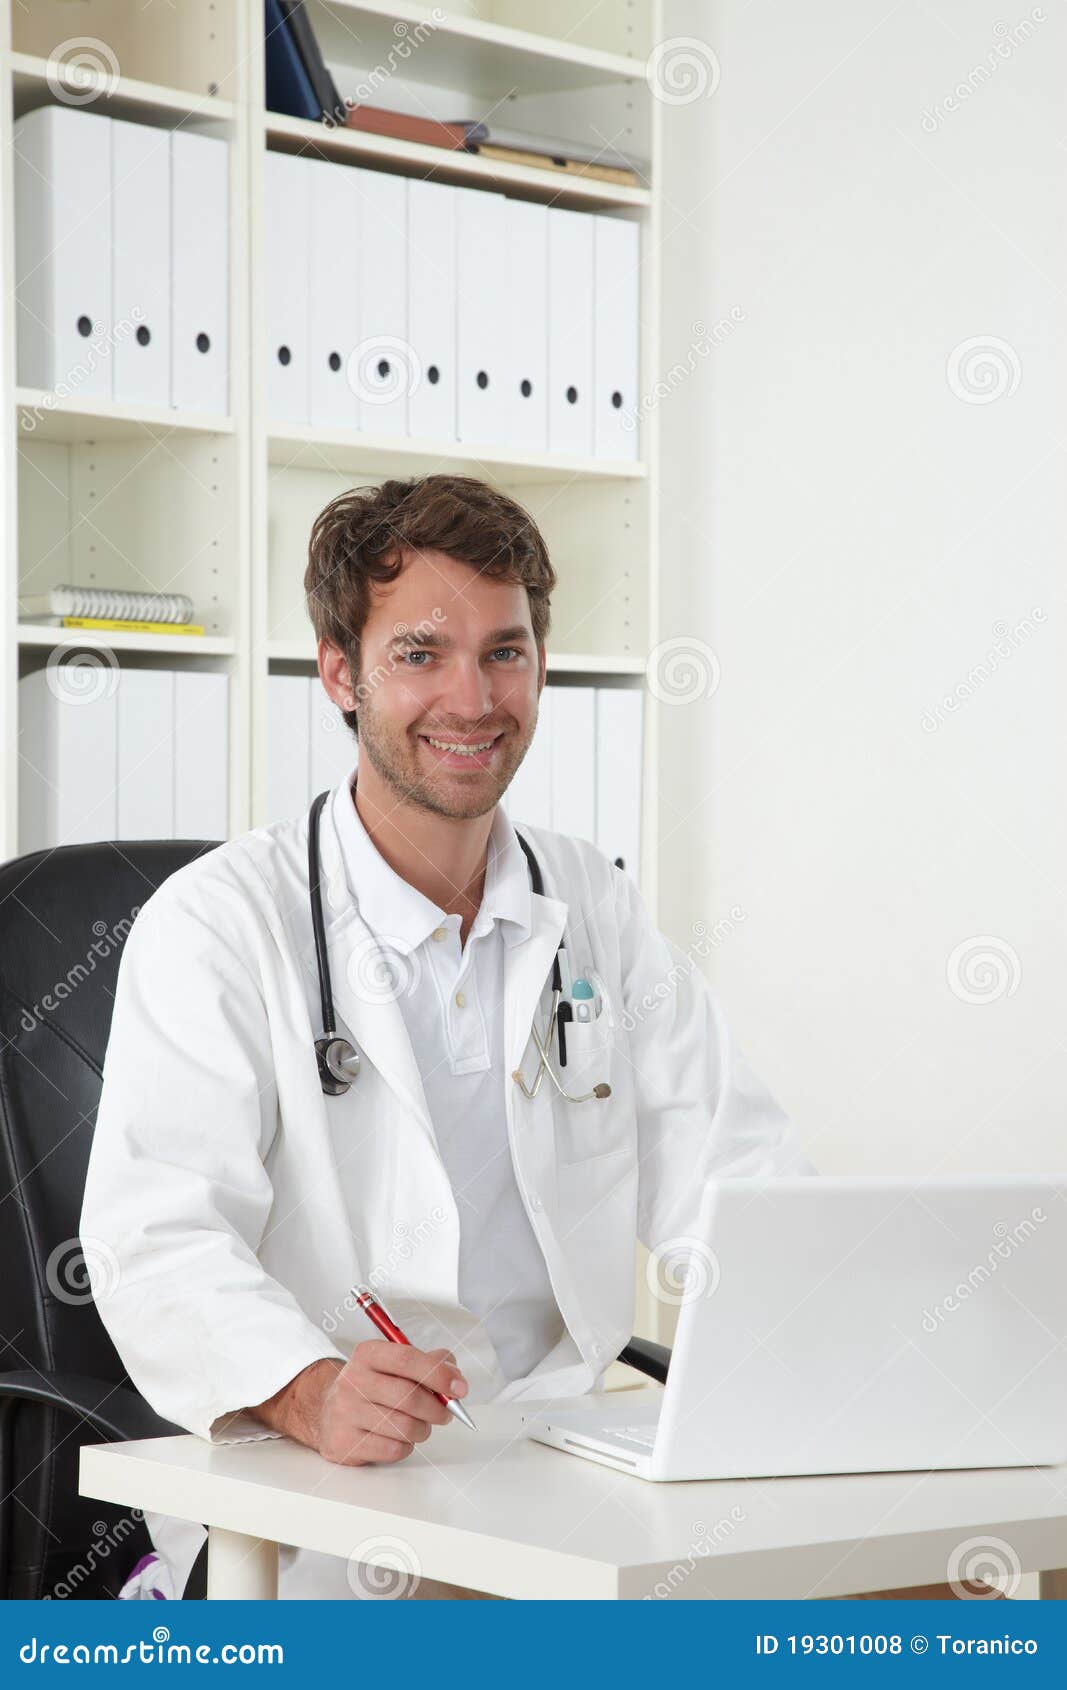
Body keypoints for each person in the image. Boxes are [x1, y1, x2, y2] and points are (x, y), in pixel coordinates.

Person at [81, 474, 979, 1601]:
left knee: (931, 1604)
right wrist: (308, 1388)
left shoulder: (589, 902)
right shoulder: (219, 927)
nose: (472, 699)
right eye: (420, 653)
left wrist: (874, 1351)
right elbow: (157, 1240)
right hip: (318, 1501)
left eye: (503, 652)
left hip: (560, 1469)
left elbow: (734, 1183)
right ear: (340, 673)